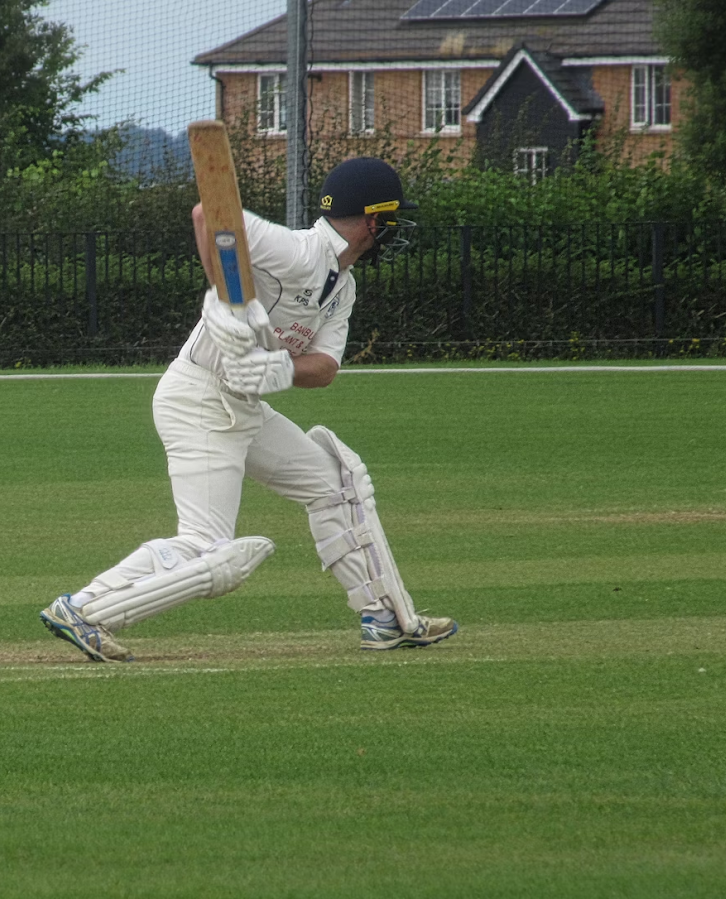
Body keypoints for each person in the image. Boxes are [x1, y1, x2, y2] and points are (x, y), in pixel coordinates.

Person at [39, 157, 457, 661]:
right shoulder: (300, 252)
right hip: (199, 399)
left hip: (245, 405)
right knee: (206, 547)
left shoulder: (341, 285)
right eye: (392, 217)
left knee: (336, 484)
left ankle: (385, 618)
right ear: (374, 219)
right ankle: (84, 608)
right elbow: (205, 216)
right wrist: (224, 299)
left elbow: (325, 366)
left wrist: (281, 369)